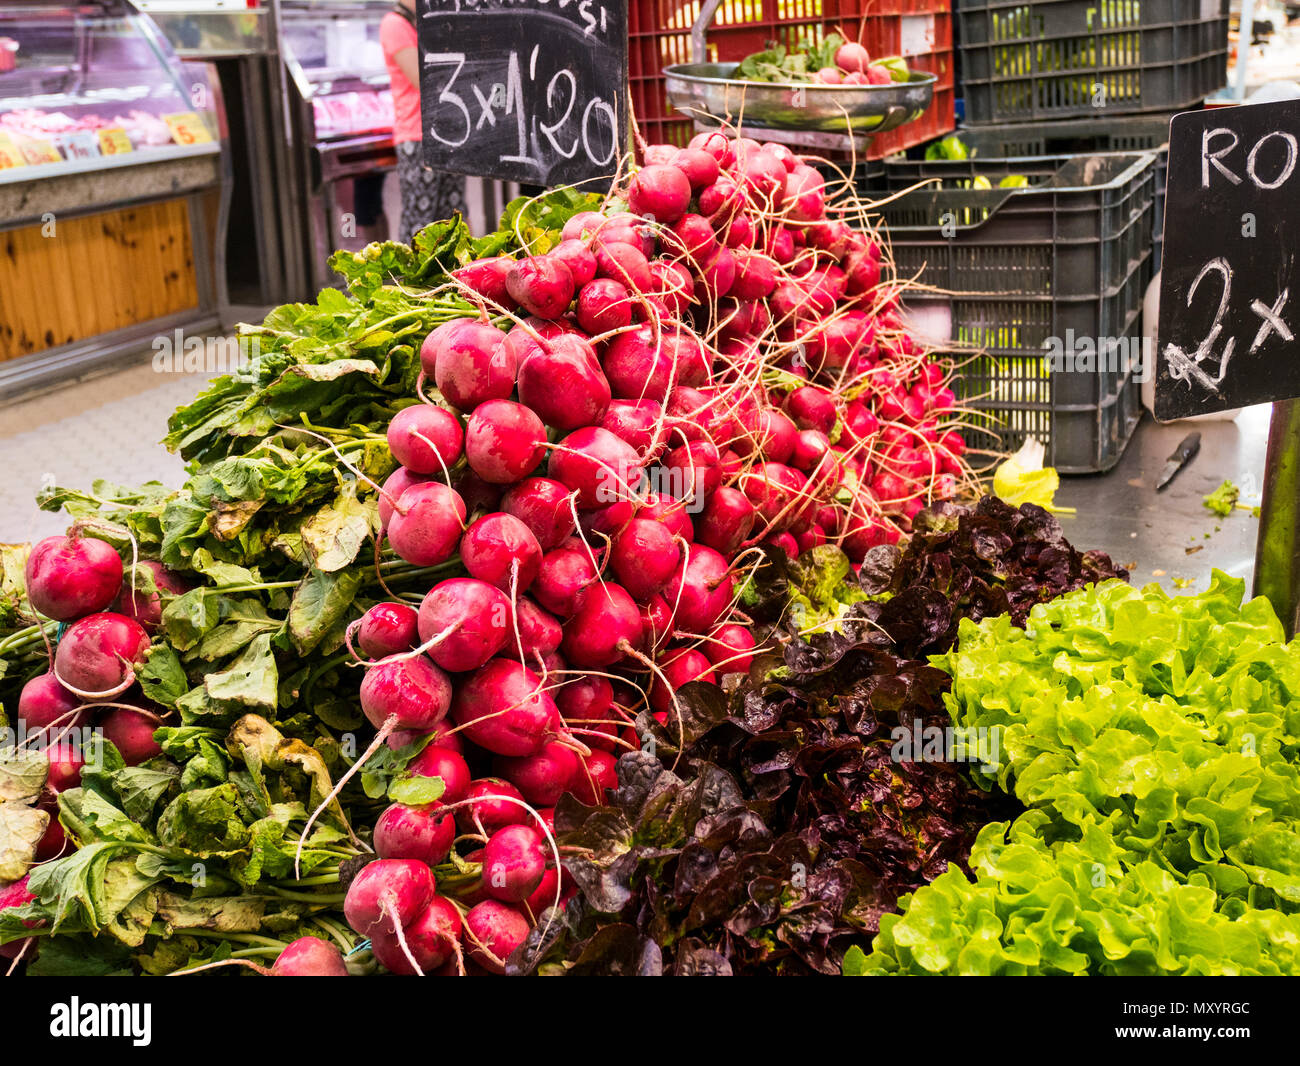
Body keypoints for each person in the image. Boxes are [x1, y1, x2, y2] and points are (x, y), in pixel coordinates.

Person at [380, 0, 465, 244]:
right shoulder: (394, 24)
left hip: (448, 132)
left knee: (453, 220)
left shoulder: (427, 21)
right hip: (418, 138)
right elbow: (422, 79)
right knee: (421, 223)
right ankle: (410, 281)